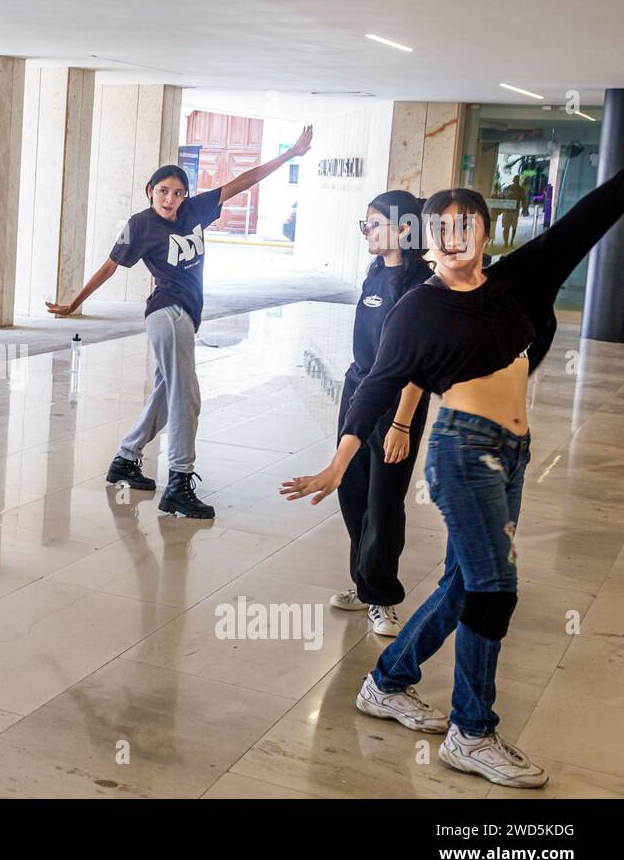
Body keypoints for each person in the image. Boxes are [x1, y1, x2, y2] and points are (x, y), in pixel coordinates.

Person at [280, 167, 624, 788]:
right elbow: (380, 382)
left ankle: (387, 683)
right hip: (461, 454)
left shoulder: (521, 279)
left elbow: (593, 213)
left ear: (488, 233)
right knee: (495, 587)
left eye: (467, 223)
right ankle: (471, 731)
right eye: (442, 227)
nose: (455, 235)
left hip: (514, 449)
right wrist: (339, 461)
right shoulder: (418, 308)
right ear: (428, 241)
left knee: (467, 582)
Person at [47, 127, 313, 518]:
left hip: (188, 313)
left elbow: (242, 181)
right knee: (187, 395)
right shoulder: (140, 225)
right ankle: (178, 482)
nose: (170, 199)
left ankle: (125, 459)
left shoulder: (195, 211)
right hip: (166, 312)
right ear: (149, 191)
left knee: (167, 392)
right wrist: (74, 303)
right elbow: (109, 267)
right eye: (163, 192)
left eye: (177, 192)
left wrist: (288, 154)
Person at [331, 191, 432, 637]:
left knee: (383, 500)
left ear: (404, 229)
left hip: (398, 400)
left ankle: (381, 596)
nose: (367, 232)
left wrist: (401, 423)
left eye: (374, 224)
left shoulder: (424, 286)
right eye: (365, 224)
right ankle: (364, 582)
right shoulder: (375, 273)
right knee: (352, 491)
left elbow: (421, 364)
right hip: (359, 390)